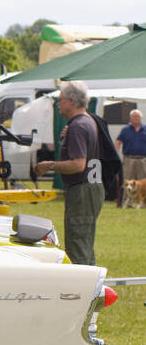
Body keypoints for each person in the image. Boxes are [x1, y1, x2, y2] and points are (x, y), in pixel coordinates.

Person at [35, 81, 103, 265]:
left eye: (61, 100)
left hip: (82, 189)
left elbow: (78, 164)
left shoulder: (78, 126)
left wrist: (49, 165)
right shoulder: (87, 121)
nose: (58, 103)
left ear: (72, 101)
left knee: (77, 246)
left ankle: (82, 290)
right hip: (91, 187)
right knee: (84, 242)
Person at [115, 109, 146, 205]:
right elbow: (118, 142)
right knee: (128, 180)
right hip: (129, 159)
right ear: (130, 118)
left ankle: (143, 203)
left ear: (141, 118)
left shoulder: (145, 128)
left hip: (143, 159)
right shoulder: (125, 130)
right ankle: (128, 202)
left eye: (137, 116)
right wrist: (116, 155)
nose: (136, 118)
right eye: (134, 116)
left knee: (143, 182)